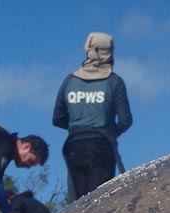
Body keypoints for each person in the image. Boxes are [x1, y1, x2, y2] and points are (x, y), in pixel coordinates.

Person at [52, 31, 132, 200]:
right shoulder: (114, 82)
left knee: (77, 204)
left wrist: (78, 126)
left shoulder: (69, 81)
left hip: (73, 146)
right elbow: (125, 120)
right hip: (102, 146)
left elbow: (57, 118)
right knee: (100, 201)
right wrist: (109, 131)